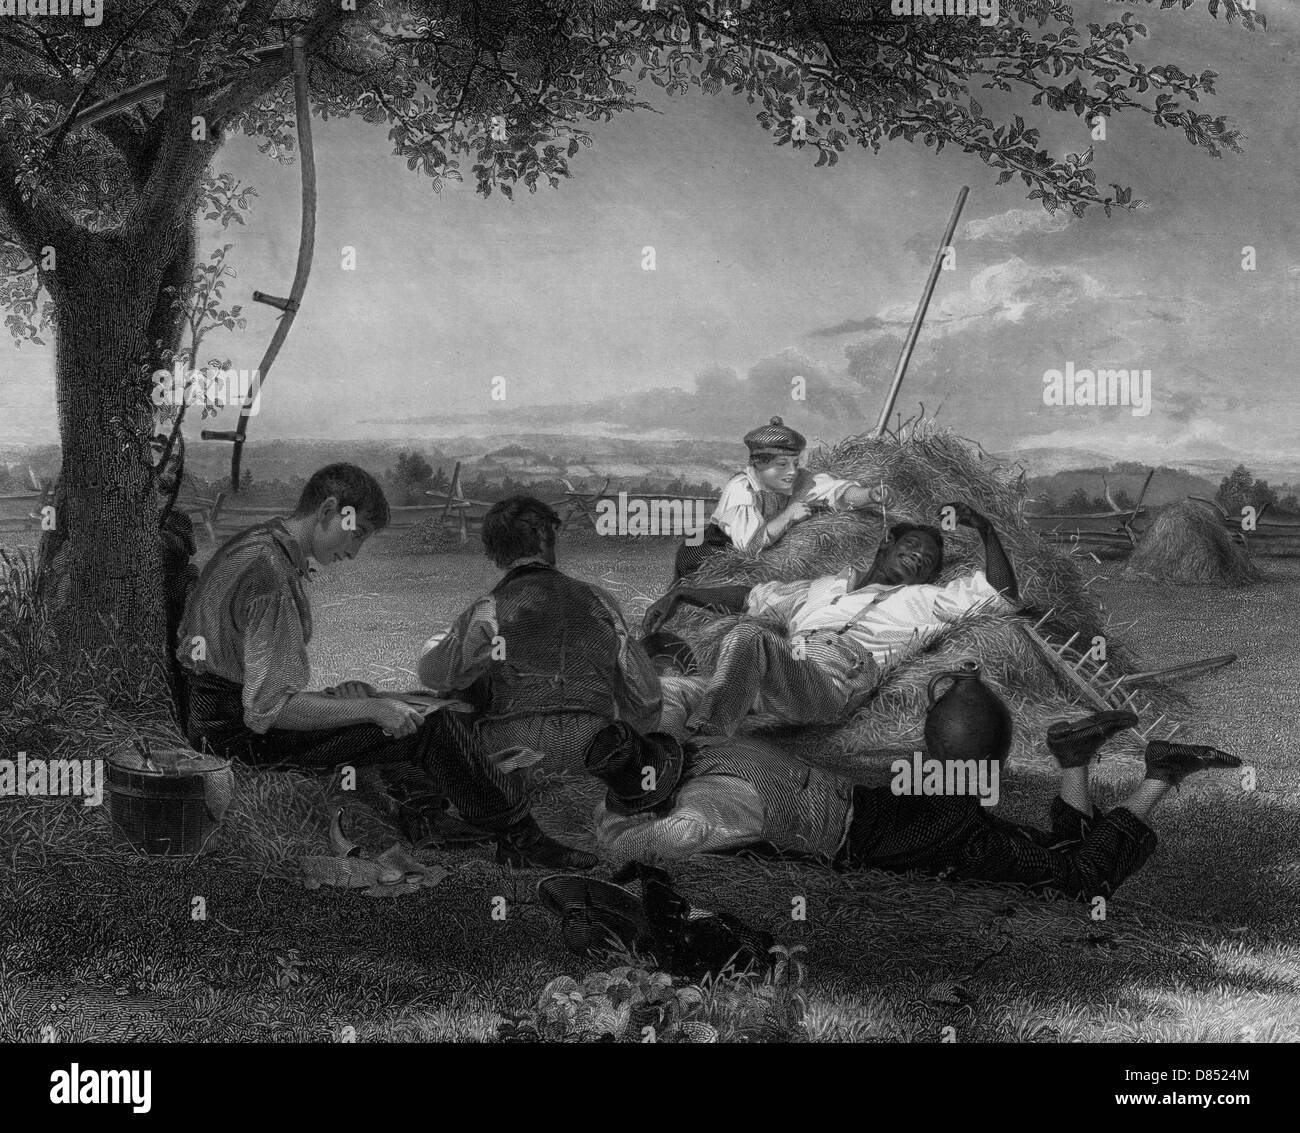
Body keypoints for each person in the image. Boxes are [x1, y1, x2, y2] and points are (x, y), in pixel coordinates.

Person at [179, 463, 594, 869]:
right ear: (327, 511)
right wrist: (371, 709)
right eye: (355, 534)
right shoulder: (271, 578)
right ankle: (521, 838)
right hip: (234, 737)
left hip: (214, 711)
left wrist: (350, 702)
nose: (355, 552)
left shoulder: (260, 544)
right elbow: (267, 710)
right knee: (425, 722)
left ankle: (428, 817)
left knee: (406, 704)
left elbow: (255, 682)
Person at [585, 710, 1242, 901]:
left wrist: (618, 820)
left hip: (902, 840)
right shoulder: (717, 744)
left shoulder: (703, 811)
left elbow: (629, 845)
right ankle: (1073, 758)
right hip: (901, 804)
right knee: (1051, 851)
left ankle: (1160, 773)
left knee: (1078, 879)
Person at [644, 501, 1018, 737]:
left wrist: (985, 528)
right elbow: (752, 598)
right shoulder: (823, 587)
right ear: (887, 542)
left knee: (747, 636)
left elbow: (1002, 595)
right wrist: (683, 593)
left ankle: (707, 740)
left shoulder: (926, 599)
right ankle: (663, 760)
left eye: (930, 561)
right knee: (672, 693)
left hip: (829, 685)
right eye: (914, 545)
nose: (921, 557)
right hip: (773, 677)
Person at [418, 495, 662, 774]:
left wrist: (438, 643)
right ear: (546, 539)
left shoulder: (489, 608)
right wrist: (622, 744)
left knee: (459, 681)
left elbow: (433, 674)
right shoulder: (600, 599)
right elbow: (646, 698)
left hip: (514, 746)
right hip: (593, 745)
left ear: (493, 553)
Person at [673, 415, 893, 582]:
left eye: (795, 464)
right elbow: (749, 547)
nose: (792, 472)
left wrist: (869, 495)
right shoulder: (742, 489)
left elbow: (838, 493)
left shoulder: (799, 481)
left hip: (763, 554)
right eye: (782, 465)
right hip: (713, 549)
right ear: (758, 464)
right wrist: (788, 516)